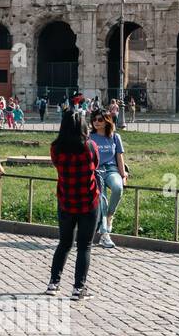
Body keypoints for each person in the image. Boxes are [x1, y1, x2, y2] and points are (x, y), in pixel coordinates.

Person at [47, 109, 101, 301]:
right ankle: (79, 288)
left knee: (64, 243)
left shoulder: (55, 148)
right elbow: (97, 163)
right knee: (84, 246)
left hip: (66, 201)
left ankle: (53, 283)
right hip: (88, 201)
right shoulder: (90, 146)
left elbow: (56, 165)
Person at [88, 110, 128, 250]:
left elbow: (119, 157)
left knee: (118, 188)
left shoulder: (115, 137)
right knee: (102, 200)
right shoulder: (89, 137)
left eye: (99, 119)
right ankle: (105, 234)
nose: (96, 122)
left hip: (111, 169)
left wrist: (123, 176)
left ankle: (110, 216)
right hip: (96, 171)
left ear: (107, 121)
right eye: (94, 119)